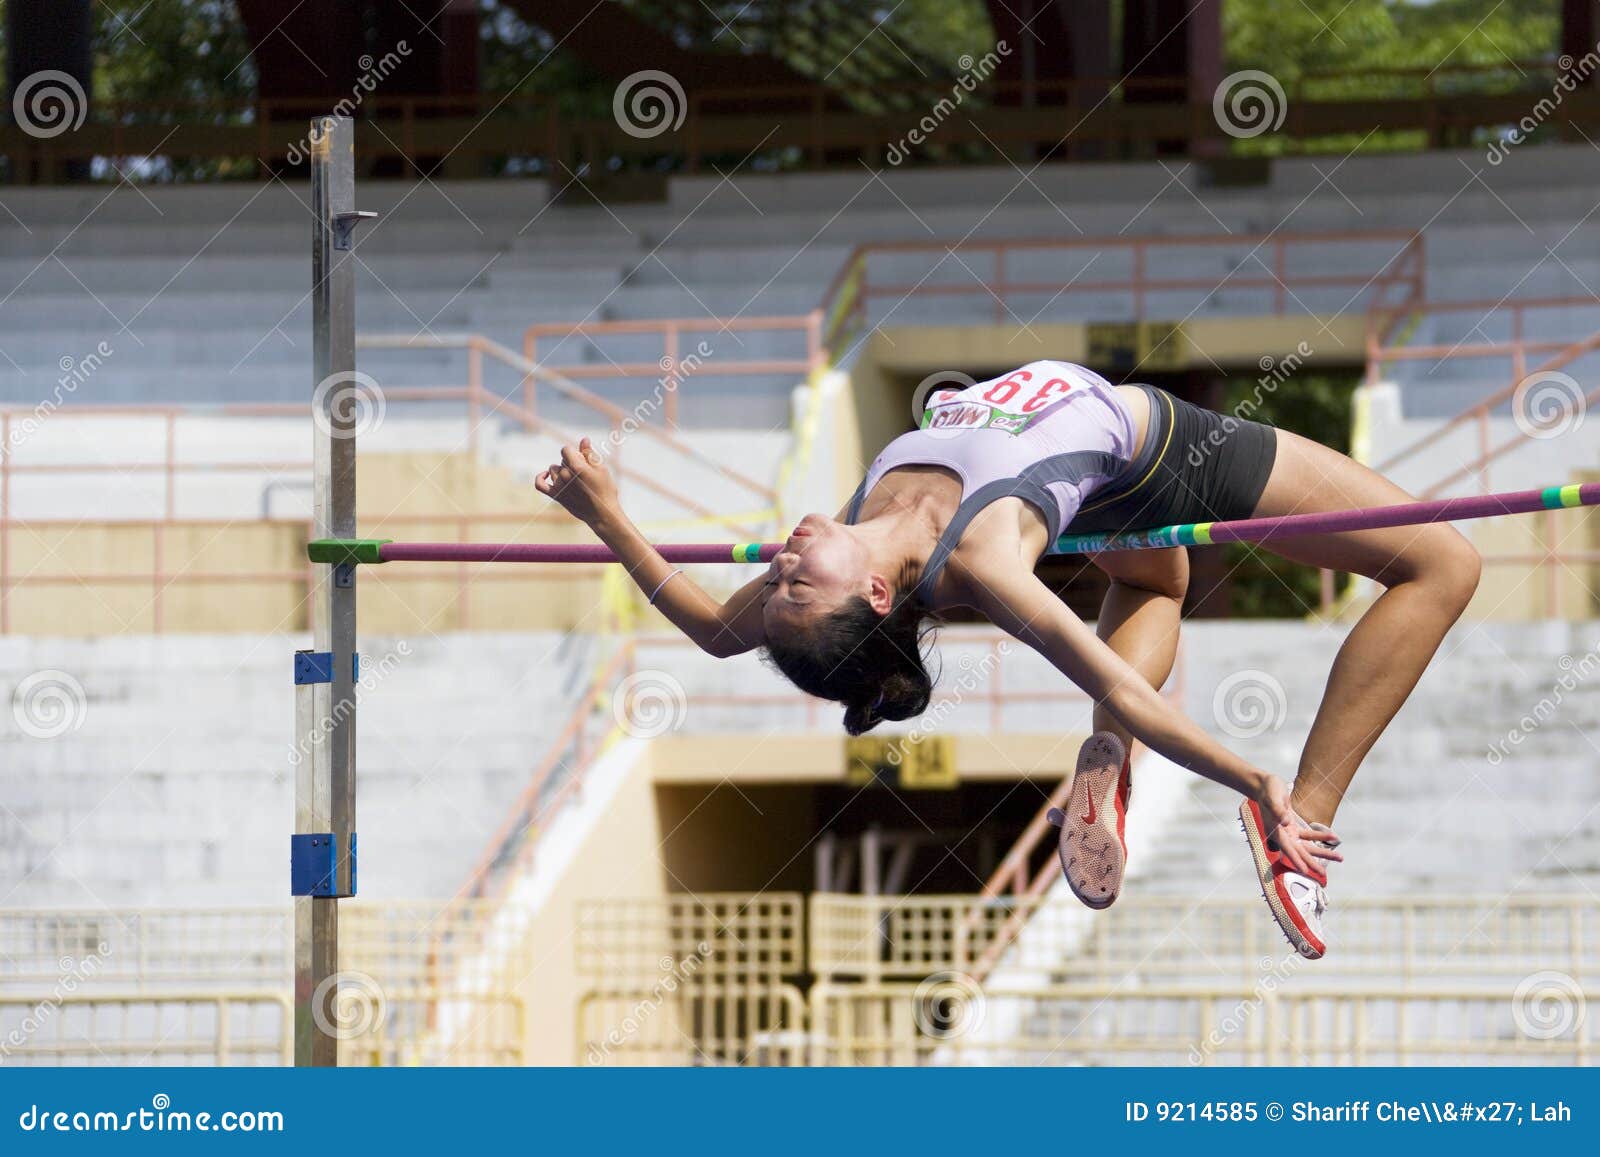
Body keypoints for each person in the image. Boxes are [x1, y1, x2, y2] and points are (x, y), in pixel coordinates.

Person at [536, 360, 1481, 959]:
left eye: (778, 577)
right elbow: (1113, 679)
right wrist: (1256, 778)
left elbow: (709, 625)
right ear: (872, 597)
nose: (780, 561)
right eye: (796, 582)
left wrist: (606, 513)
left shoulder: (863, 528)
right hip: (1155, 452)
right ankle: (1302, 822)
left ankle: (1102, 765)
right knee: (1443, 560)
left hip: (1093, 493)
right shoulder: (984, 558)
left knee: (1156, 585)